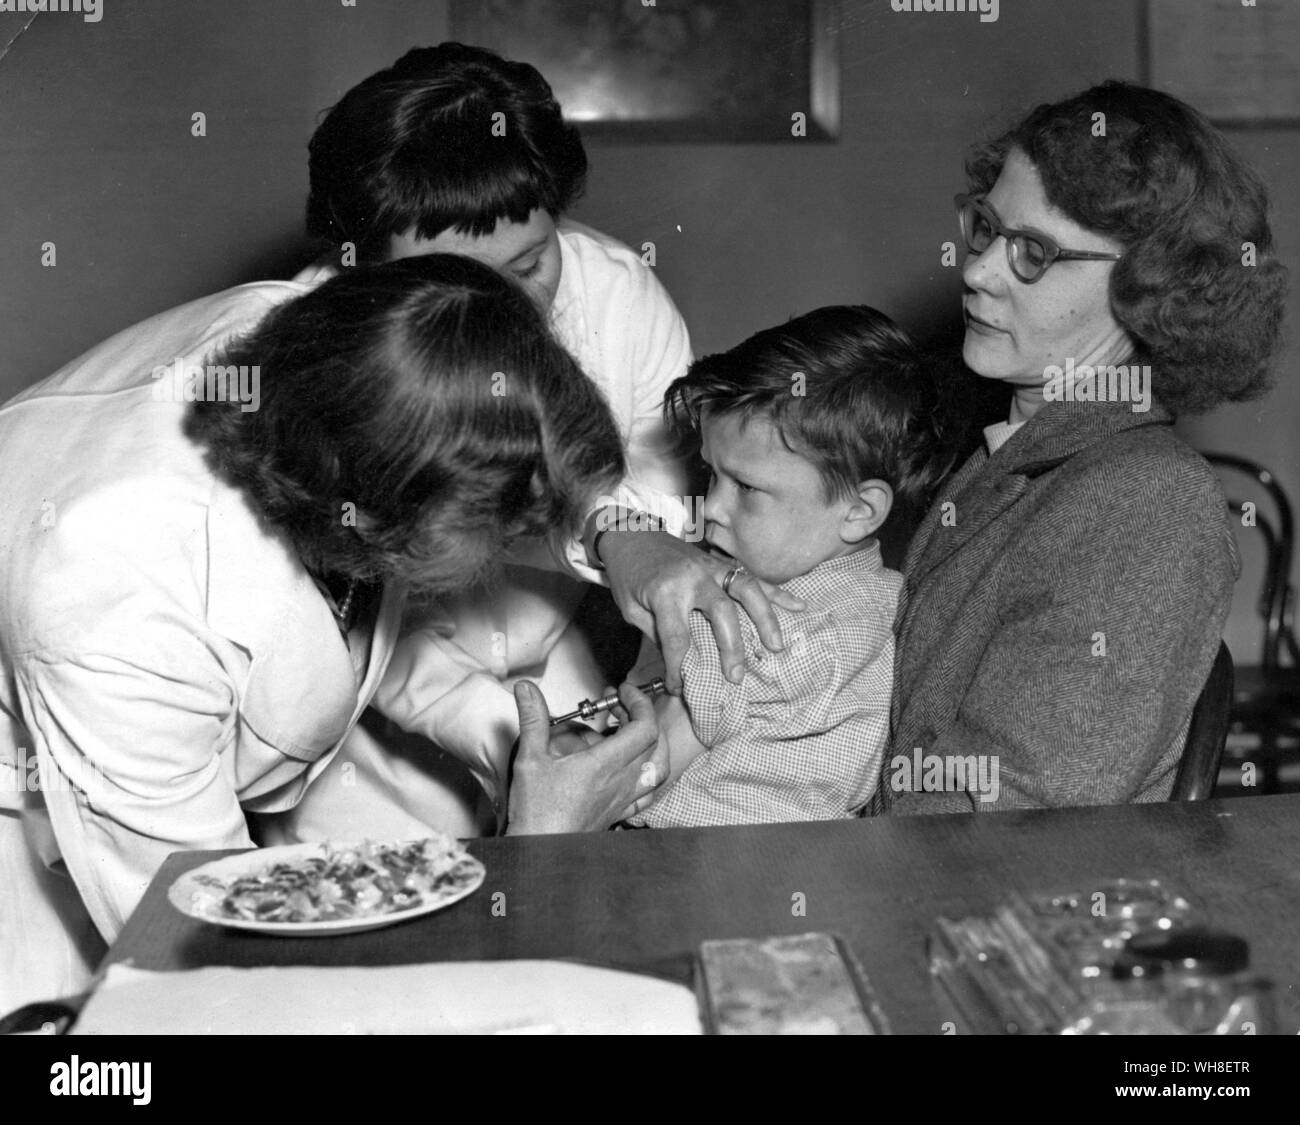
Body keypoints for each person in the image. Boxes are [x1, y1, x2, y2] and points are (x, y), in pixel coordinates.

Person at [0, 255, 667, 1016]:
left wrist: (623, 539)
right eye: (496, 532)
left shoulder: (354, 349)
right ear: (381, 515)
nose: (504, 553)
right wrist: (539, 853)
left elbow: (354, 628)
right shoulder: (115, 594)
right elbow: (210, 957)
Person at [268, 42, 799, 842]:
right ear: (364, 271)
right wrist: (511, 737)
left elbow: (655, 505)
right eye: (456, 282)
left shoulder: (617, 291)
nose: (507, 311)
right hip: (371, 724)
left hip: (563, 661)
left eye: (531, 262)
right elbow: (341, 611)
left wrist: (630, 539)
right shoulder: (314, 349)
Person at [878, 81, 1289, 814]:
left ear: (1146, 290)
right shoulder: (1019, 458)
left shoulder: (1146, 501)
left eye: (1032, 252)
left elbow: (1018, 812)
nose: (976, 271)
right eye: (986, 229)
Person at [623, 307, 951, 826]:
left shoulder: (809, 629)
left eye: (747, 488)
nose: (710, 508)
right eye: (712, 475)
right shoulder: (813, 581)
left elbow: (643, 760)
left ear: (859, 512)